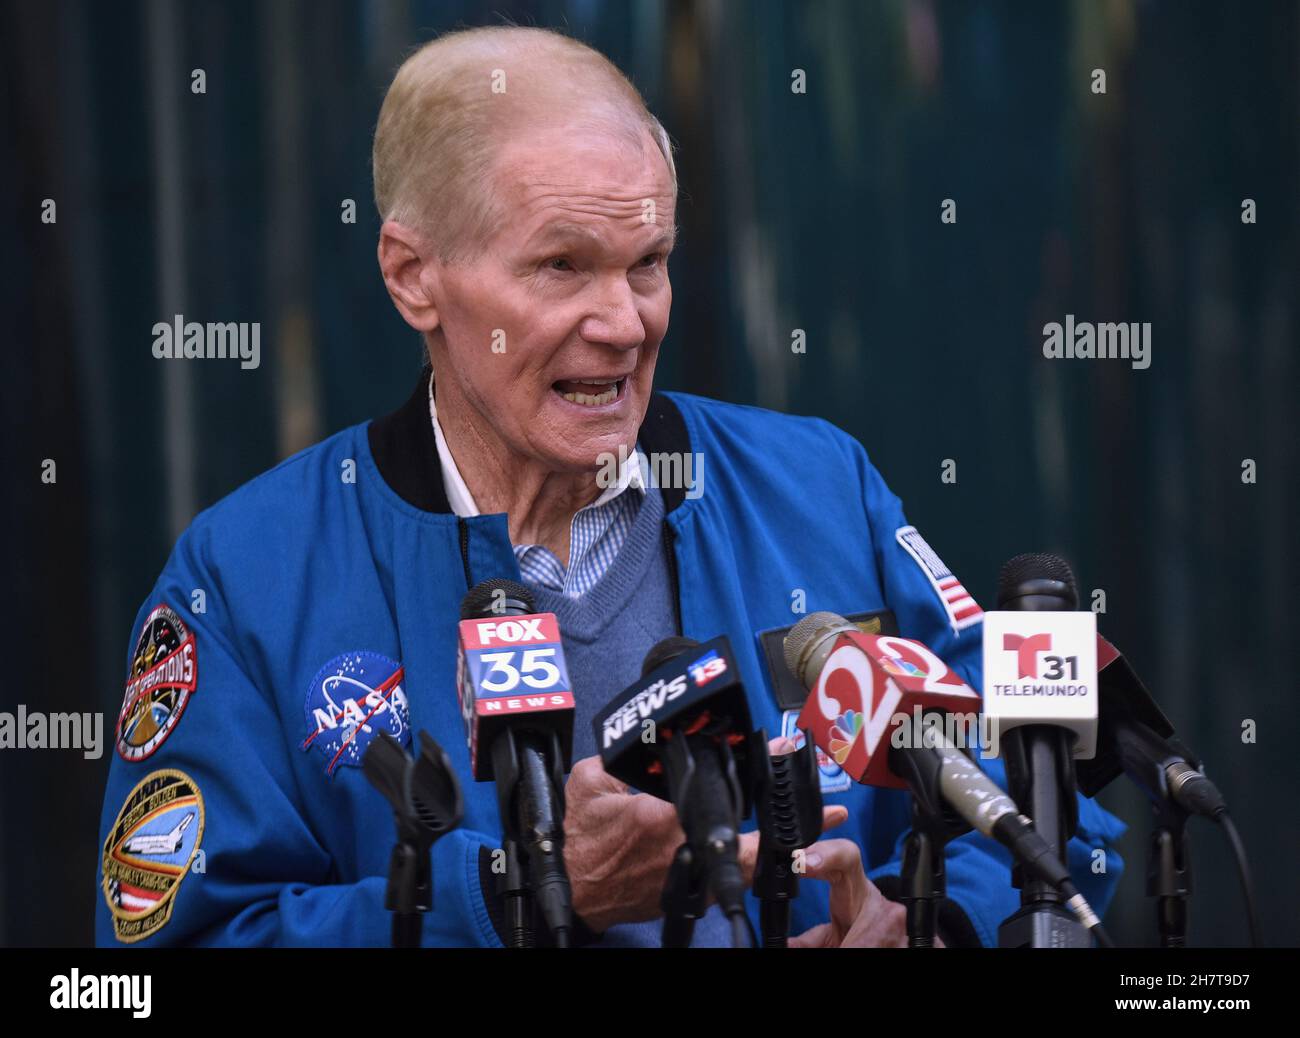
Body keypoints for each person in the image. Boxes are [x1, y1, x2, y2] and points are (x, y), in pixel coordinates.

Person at [96, 25, 1123, 948]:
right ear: (414, 276)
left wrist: (936, 928)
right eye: (560, 267)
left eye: (648, 262)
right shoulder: (243, 575)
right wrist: (515, 892)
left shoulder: (818, 484)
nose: (624, 323)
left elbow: (1051, 792)